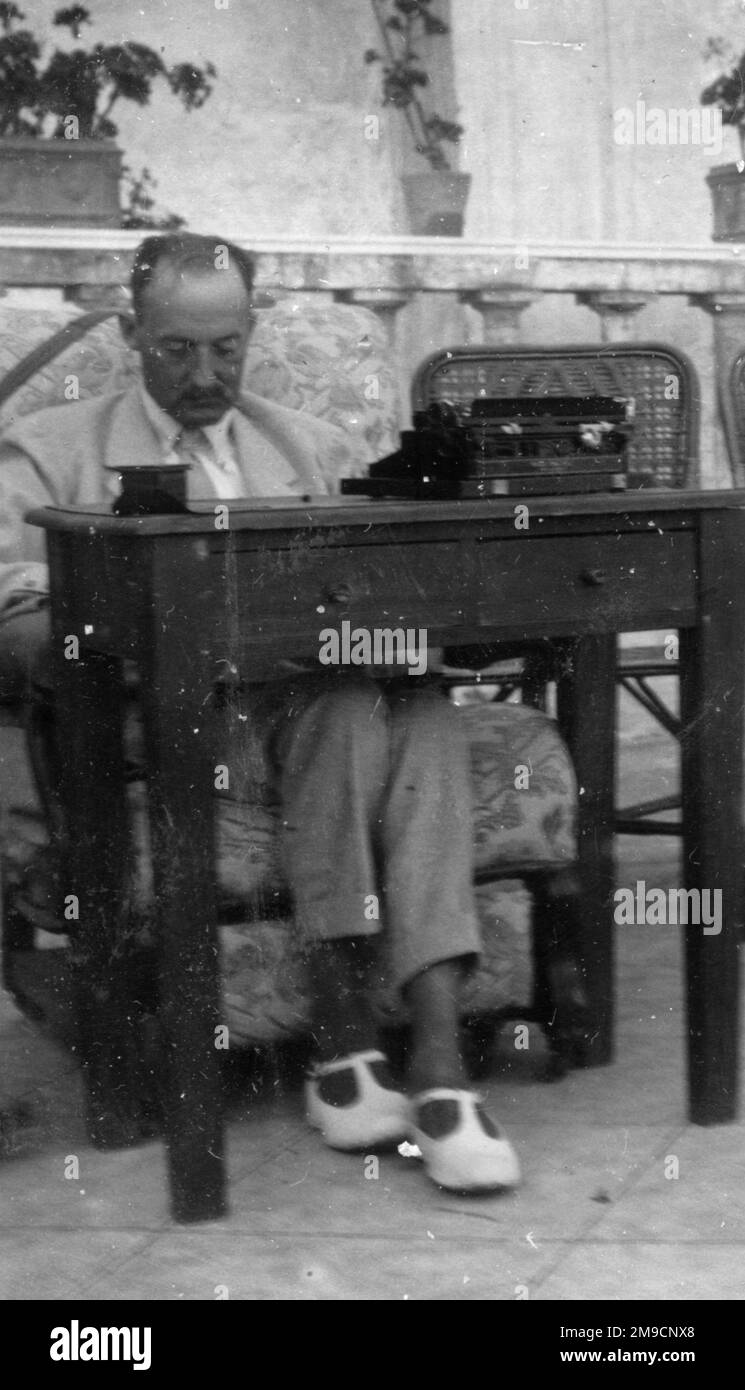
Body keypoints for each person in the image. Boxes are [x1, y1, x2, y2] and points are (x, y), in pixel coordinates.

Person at [0, 232, 520, 1194]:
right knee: (349, 702)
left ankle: (429, 1066)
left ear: (250, 334)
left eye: (226, 349)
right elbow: (13, 604)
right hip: (173, 724)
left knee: (419, 712)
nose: (204, 374)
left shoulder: (305, 445)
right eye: (176, 350)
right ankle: (351, 1040)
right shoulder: (52, 452)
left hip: (320, 704)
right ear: (130, 334)